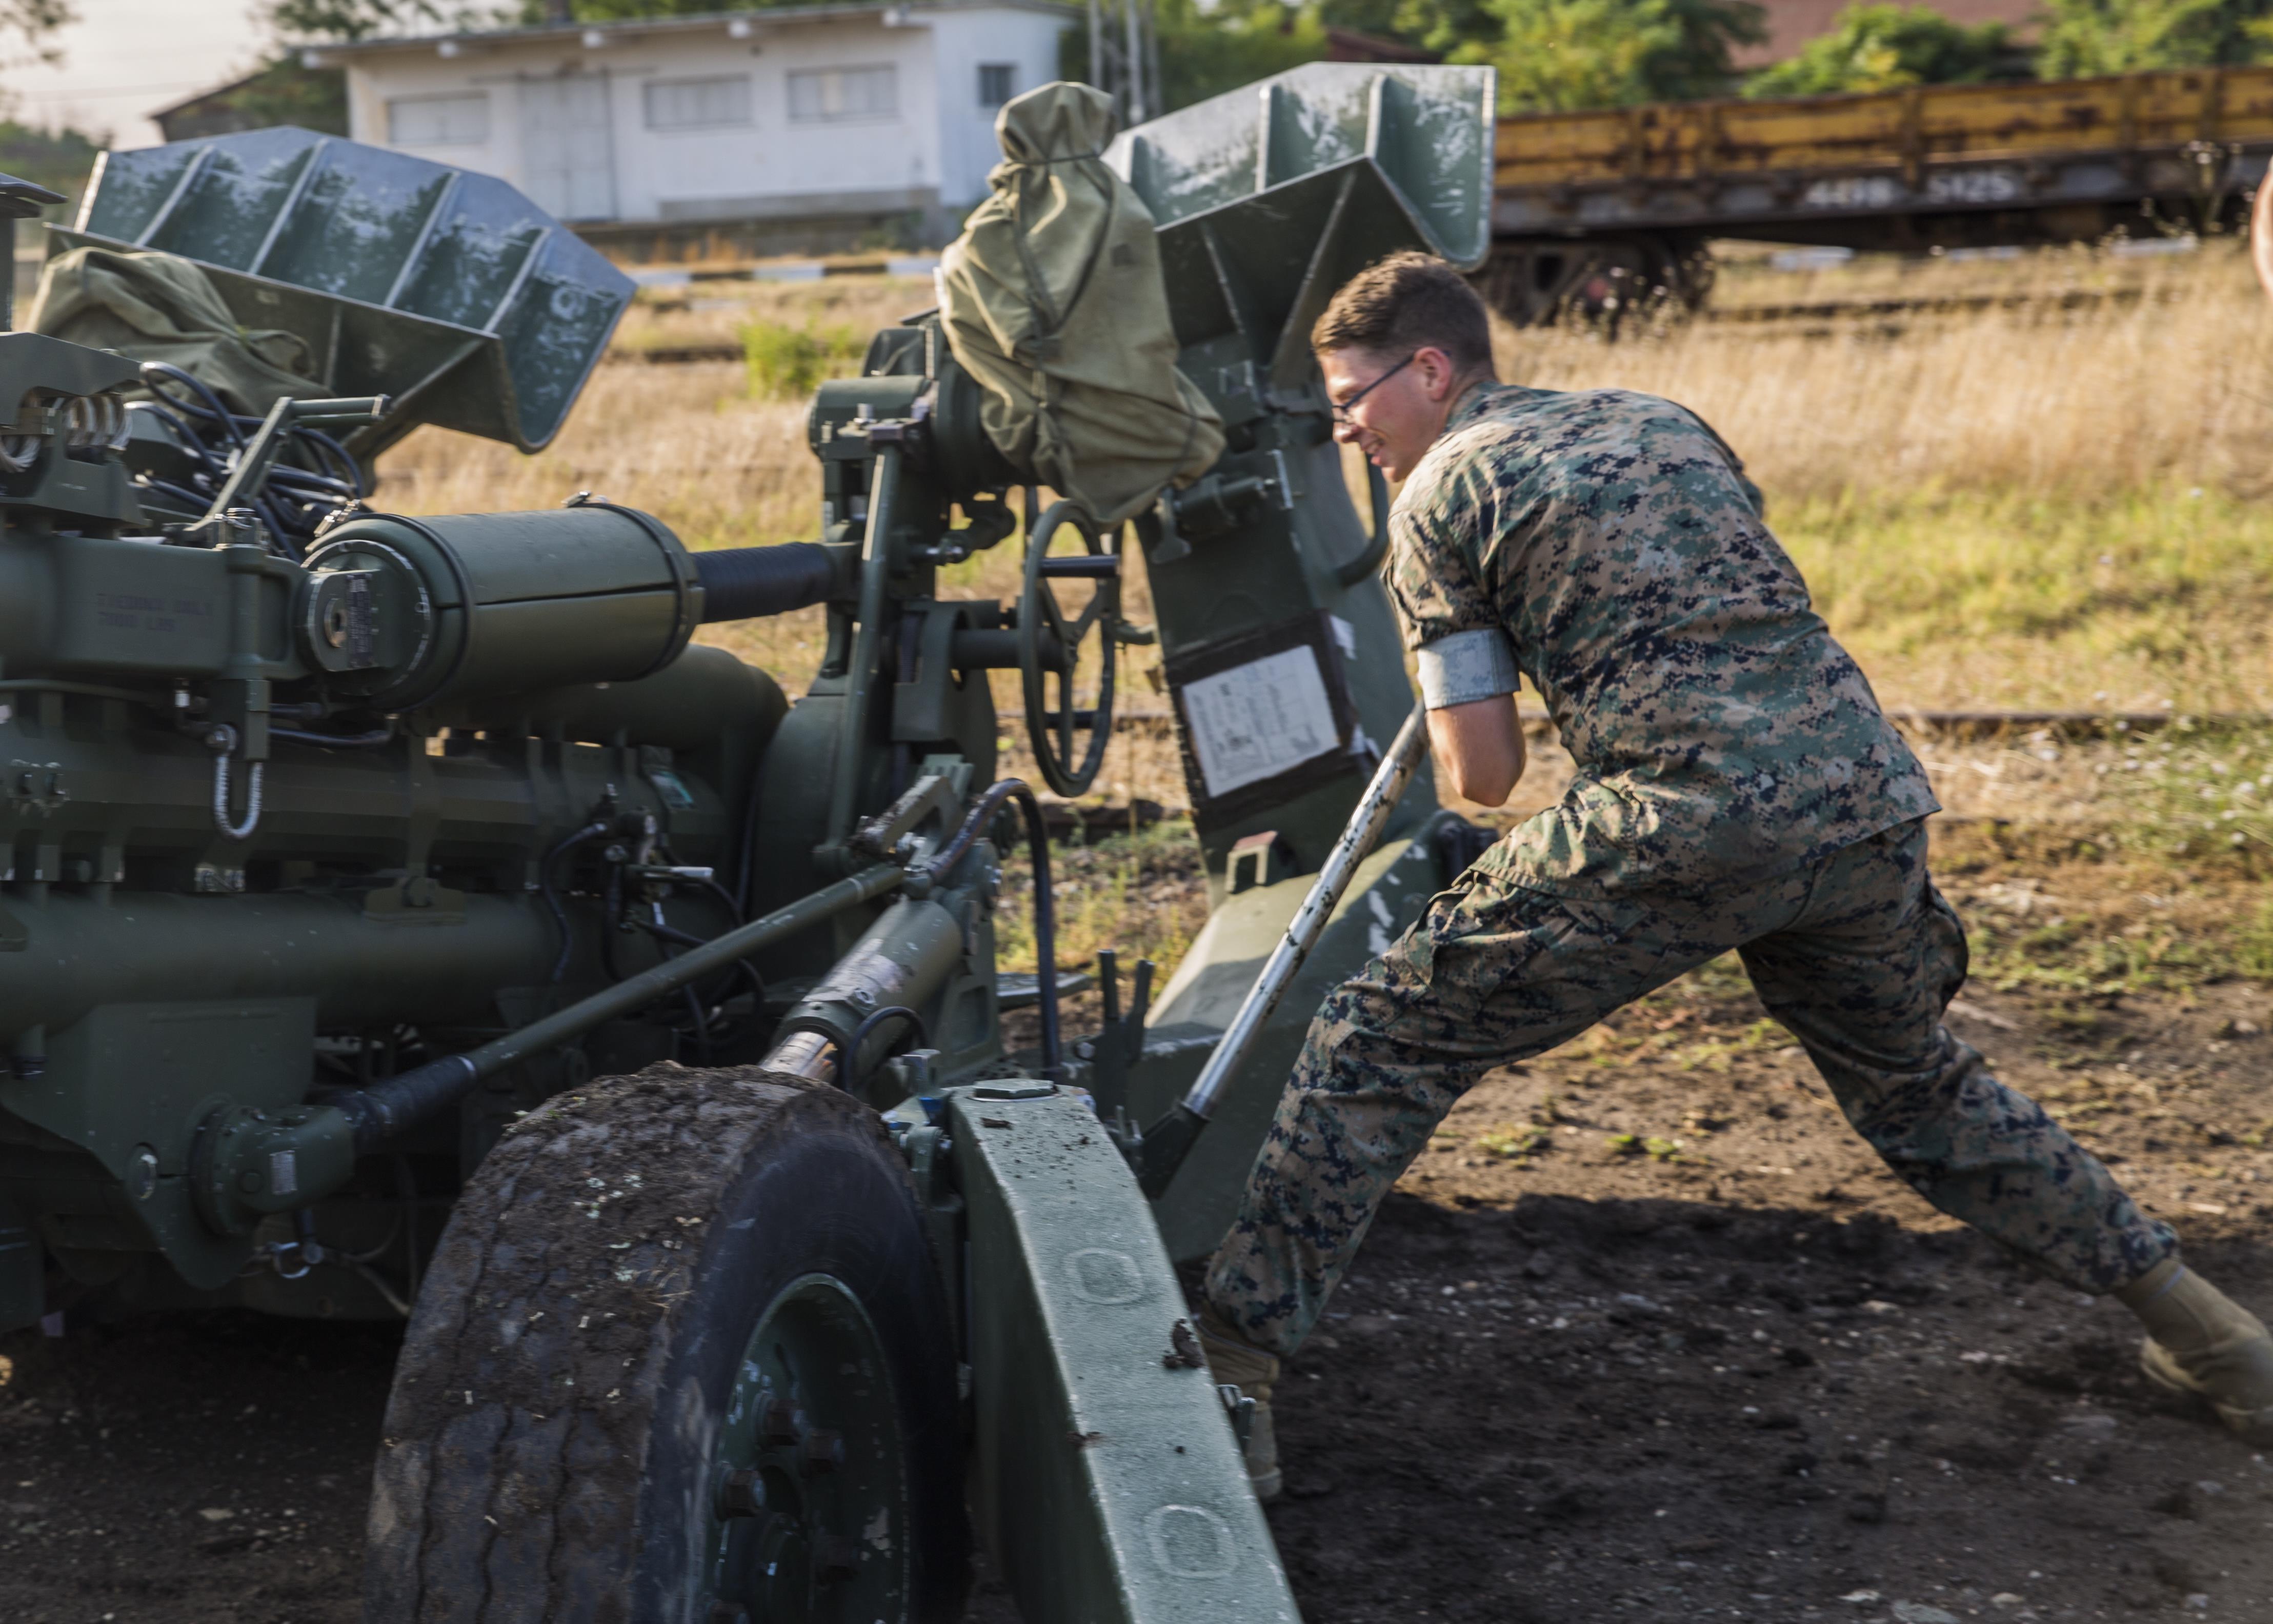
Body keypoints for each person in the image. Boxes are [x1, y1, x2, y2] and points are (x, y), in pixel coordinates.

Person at [1195, 251, 2273, 1500]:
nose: (1345, 429)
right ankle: (2220, 1343)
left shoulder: (1439, 490)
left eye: (1354, 398)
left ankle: (1232, 1371)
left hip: (1685, 823)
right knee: (1923, 1090)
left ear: (1432, 370)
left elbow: (1481, 777)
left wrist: (1446, 657)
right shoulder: (1662, 418)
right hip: (1864, 801)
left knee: (1376, 1039)